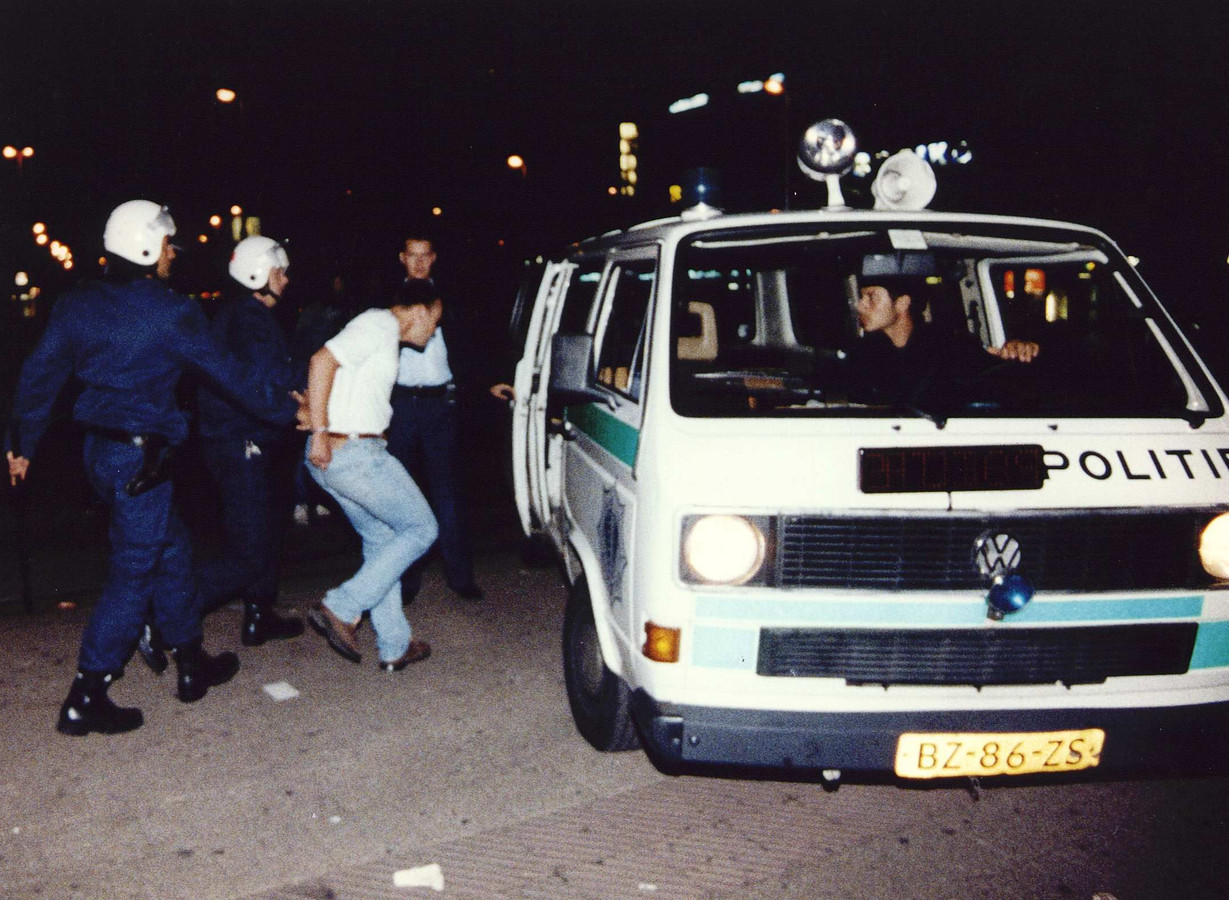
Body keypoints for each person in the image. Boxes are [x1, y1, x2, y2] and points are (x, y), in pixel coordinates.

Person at [5, 199, 298, 736]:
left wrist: (22, 442)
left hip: (98, 454)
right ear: (144, 247)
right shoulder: (172, 311)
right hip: (141, 459)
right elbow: (228, 373)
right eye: (166, 244)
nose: (172, 253)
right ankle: (87, 691)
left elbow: (40, 374)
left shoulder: (77, 304)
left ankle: (191, 662)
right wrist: (286, 409)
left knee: (172, 549)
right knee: (133, 571)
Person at [303, 280, 439, 671]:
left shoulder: (380, 335)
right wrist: (318, 433)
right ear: (418, 309)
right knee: (421, 529)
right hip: (356, 456)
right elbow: (321, 361)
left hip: (341, 455)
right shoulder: (379, 324)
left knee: (382, 539)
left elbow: (337, 379)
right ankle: (342, 606)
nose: (433, 330)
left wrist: (315, 418)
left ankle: (395, 645)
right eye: (435, 319)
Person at [195, 235, 304, 646]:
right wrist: (299, 404)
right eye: (280, 272)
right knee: (249, 549)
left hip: (244, 439)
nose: (287, 279)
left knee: (264, 532)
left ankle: (259, 615)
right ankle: (166, 614)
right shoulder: (249, 321)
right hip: (240, 441)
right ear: (259, 273)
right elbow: (265, 383)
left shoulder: (244, 316)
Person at [386, 237, 483, 602]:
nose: (420, 262)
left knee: (448, 493)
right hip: (402, 406)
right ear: (402, 257)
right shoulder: (389, 298)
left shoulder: (451, 296)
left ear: (434, 257)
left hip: (440, 404)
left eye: (426, 255)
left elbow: (469, 345)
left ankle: (460, 577)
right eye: (413, 255)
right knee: (402, 495)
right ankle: (406, 581)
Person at [846, 280, 1039, 405]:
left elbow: (996, 371)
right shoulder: (862, 354)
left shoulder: (950, 345)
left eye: (871, 297)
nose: (860, 305)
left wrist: (1017, 349)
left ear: (902, 303)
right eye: (862, 297)